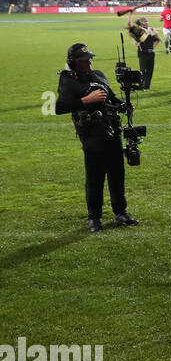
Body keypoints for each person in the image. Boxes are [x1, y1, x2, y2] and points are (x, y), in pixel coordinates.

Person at [55, 43, 138, 232]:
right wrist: (86, 100)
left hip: (112, 130)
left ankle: (121, 212)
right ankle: (94, 217)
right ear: (74, 62)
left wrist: (123, 105)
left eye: (90, 58)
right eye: (85, 60)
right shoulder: (68, 80)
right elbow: (60, 107)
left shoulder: (98, 75)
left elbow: (110, 97)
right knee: (95, 177)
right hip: (91, 135)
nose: (89, 62)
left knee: (117, 174)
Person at [125, 16, 159, 90]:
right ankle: (141, 86)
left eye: (146, 21)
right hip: (142, 53)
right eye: (144, 21)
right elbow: (129, 24)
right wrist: (130, 15)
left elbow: (157, 39)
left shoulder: (152, 30)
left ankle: (147, 86)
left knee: (150, 71)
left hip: (151, 53)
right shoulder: (138, 30)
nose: (146, 23)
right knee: (142, 71)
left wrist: (152, 47)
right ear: (141, 23)